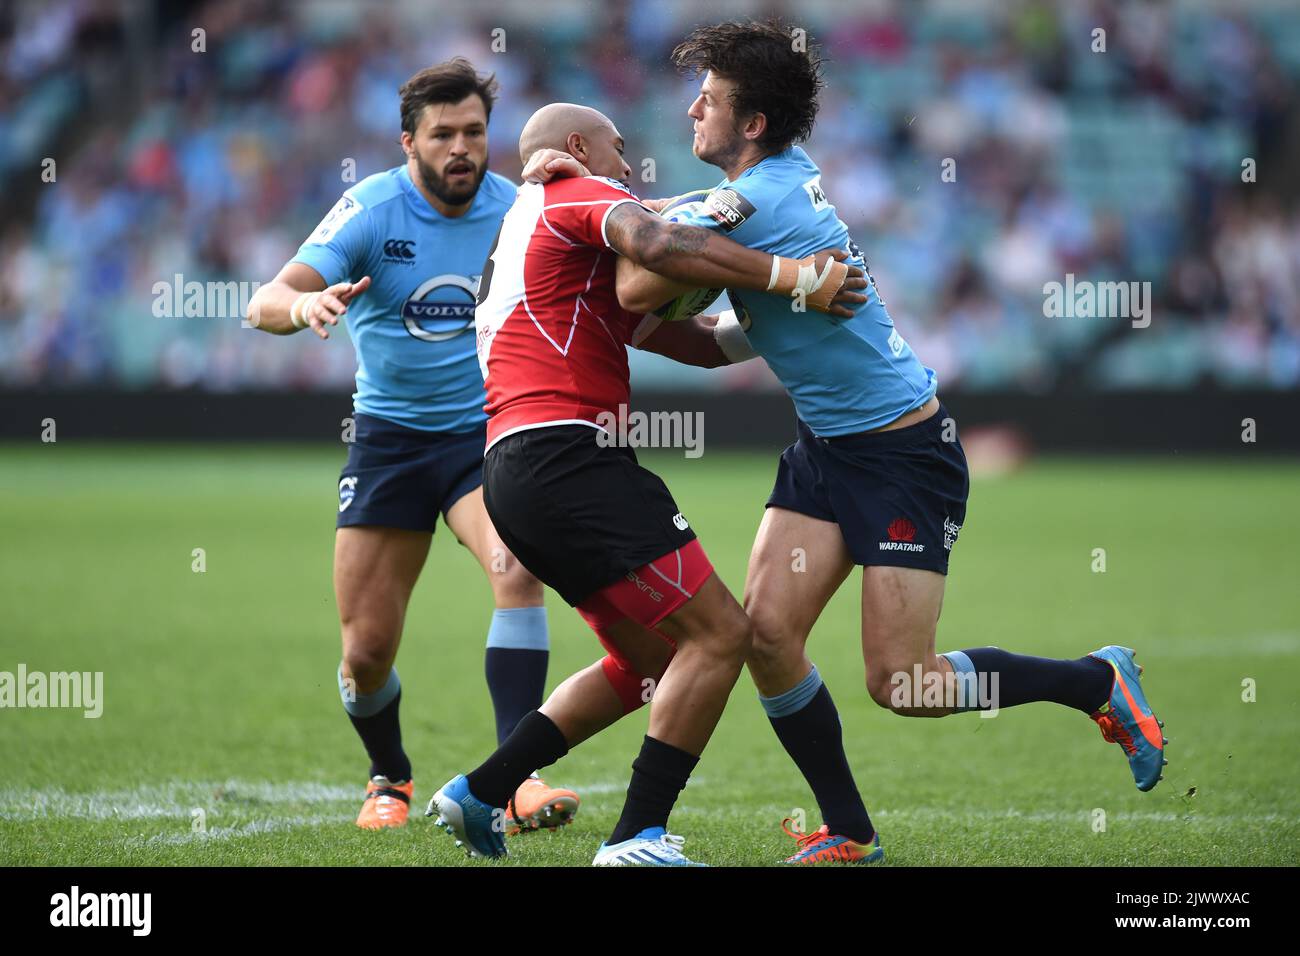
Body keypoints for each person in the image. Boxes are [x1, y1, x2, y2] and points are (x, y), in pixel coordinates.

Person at [609, 19, 1167, 864]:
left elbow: (645, 269)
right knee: (765, 637)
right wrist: (649, 292)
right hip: (827, 450)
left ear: (752, 123)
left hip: (903, 458)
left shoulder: (765, 200)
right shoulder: (762, 193)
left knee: (901, 685)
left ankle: (1094, 680)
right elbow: (716, 329)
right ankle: (850, 831)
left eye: (710, 99)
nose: (691, 110)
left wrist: (622, 238)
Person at [428, 101, 866, 865]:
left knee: (651, 664)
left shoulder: (550, 238)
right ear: (574, 148)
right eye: (618, 151)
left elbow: (696, 347)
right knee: (724, 634)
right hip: (570, 458)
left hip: (518, 470)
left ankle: (481, 792)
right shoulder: (572, 195)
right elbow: (660, 238)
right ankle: (636, 837)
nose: (629, 169)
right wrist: (796, 275)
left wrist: (790, 309)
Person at [245, 59, 577, 833]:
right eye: (443, 135)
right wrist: (306, 306)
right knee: (364, 653)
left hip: (484, 436)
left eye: (474, 133)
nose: (462, 148)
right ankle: (389, 776)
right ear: (408, 144)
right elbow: (266, 299)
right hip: (390, 444)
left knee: (517, 568)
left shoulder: (516, 208)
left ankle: (511, 779)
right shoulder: (369, 210)